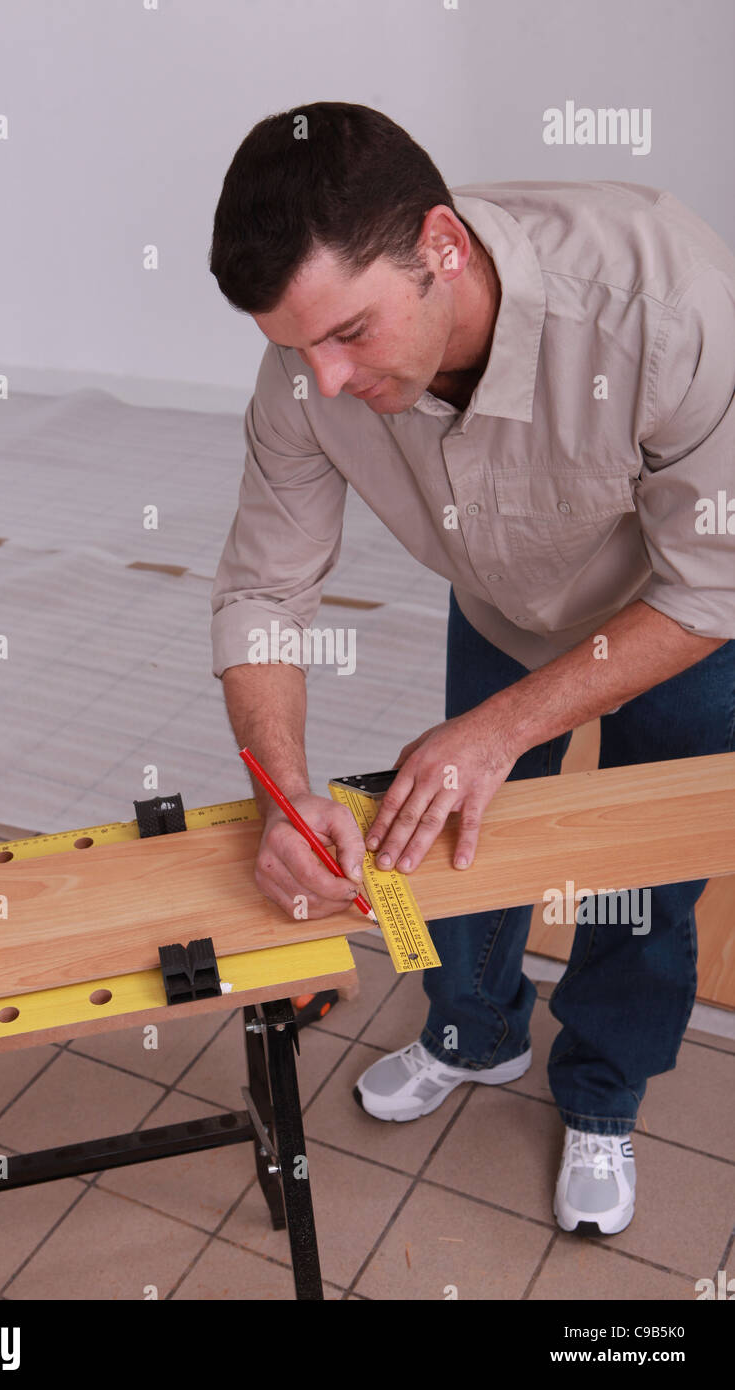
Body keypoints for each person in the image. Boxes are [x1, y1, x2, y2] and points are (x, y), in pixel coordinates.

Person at [208, 102, 735, 1236]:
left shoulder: (664, 299)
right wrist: (286, 793)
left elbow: (711, 583)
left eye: (347, 333)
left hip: (670, 614)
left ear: (441, 247)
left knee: (637, 877)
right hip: (503, 605)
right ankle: (471, 1032)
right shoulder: (307, 372)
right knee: (443, 835)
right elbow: (263, 592)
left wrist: (499, 727)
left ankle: (602, 1090)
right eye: (293, 347)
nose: (325, 381)